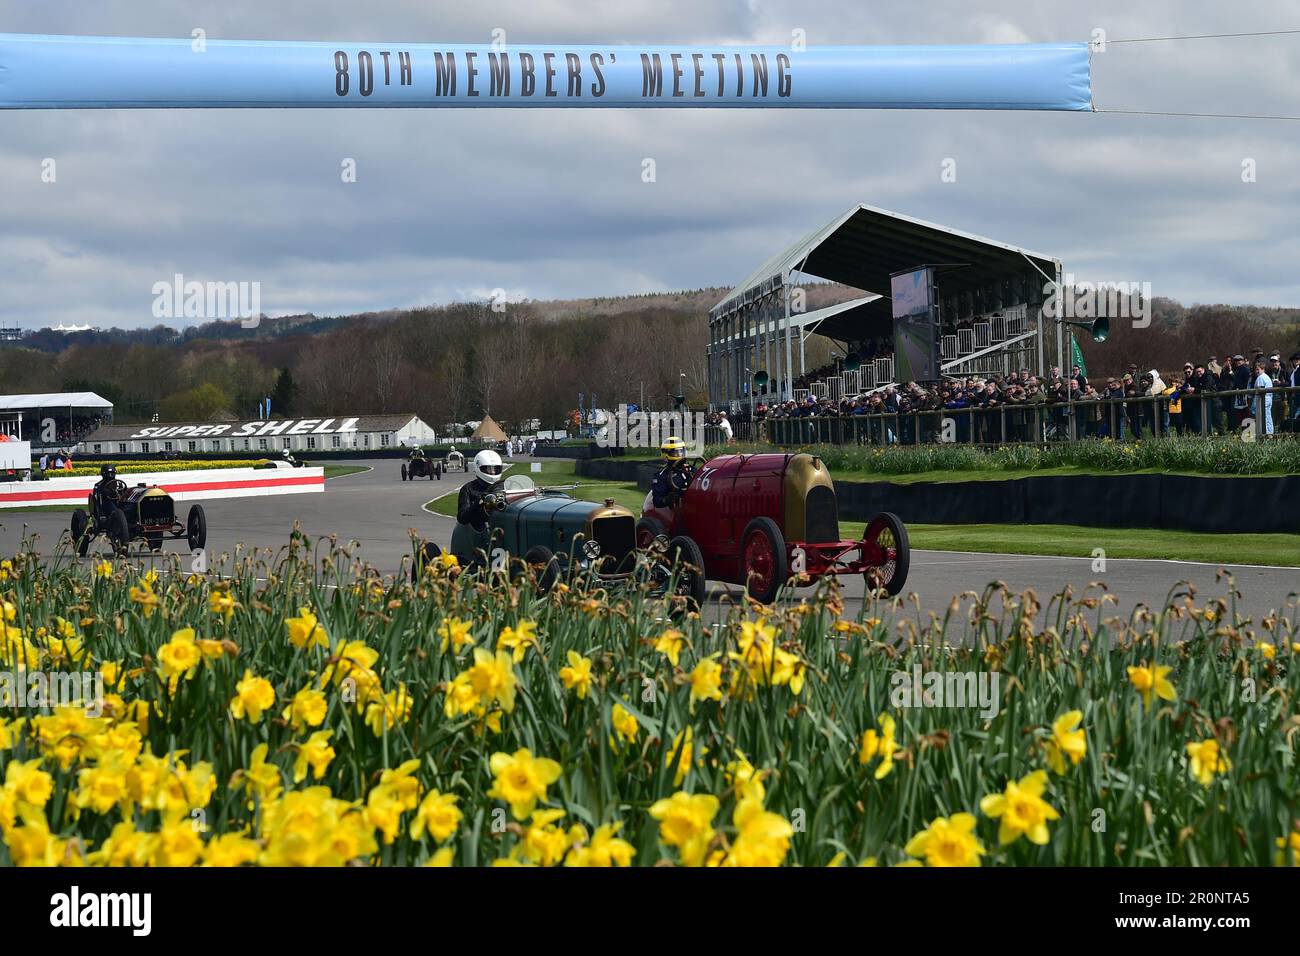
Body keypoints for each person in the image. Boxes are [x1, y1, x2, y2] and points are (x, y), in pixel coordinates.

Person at [456, 450, 505, 533]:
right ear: (478, 467)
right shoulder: (468, 489)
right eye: (489, 469)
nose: (493, 472)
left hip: (503, 527)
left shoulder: (504, 485)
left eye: (496, 469)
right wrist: (478, 502)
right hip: (481, 532)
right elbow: (462, 518)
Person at [651, 436, 693, 509]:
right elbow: (657, 501)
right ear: (665, 454)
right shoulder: (661, 476)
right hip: (677, 512)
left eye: (681, 451)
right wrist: (668, 499)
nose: (680, 455)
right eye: (676, 452)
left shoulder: (692, 469)